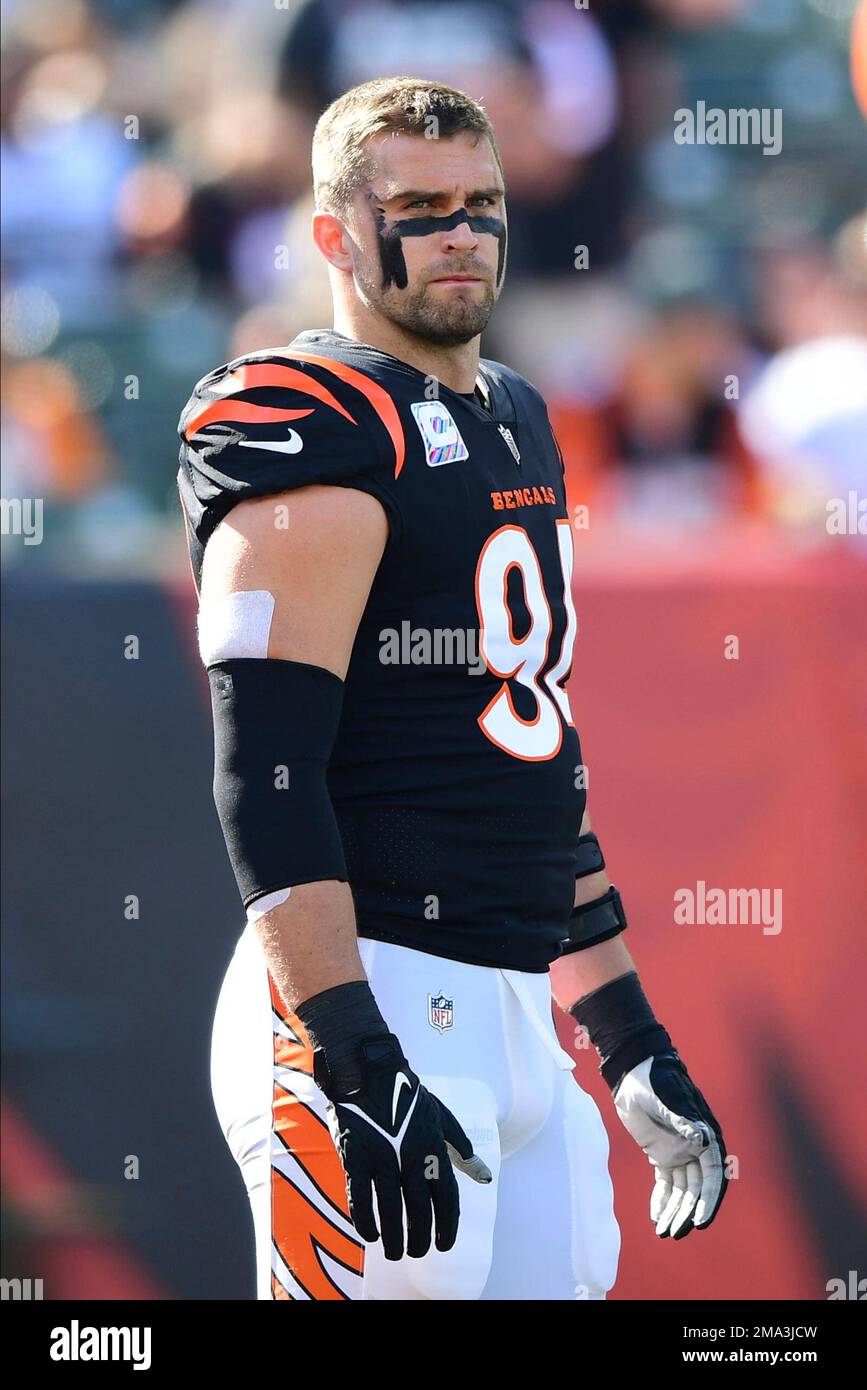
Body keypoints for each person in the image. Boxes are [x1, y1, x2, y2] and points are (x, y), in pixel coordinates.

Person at [177, 76, 727, 1301]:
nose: (463, 233)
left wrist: (627, 1029)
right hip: (369, 991)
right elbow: (263, 778)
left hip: (520, 1004)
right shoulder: (306, 422)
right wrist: (349, 1048)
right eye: (419, 205)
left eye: (481, 201)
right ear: (334, 233)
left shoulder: (517, 415)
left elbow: (531, 760)